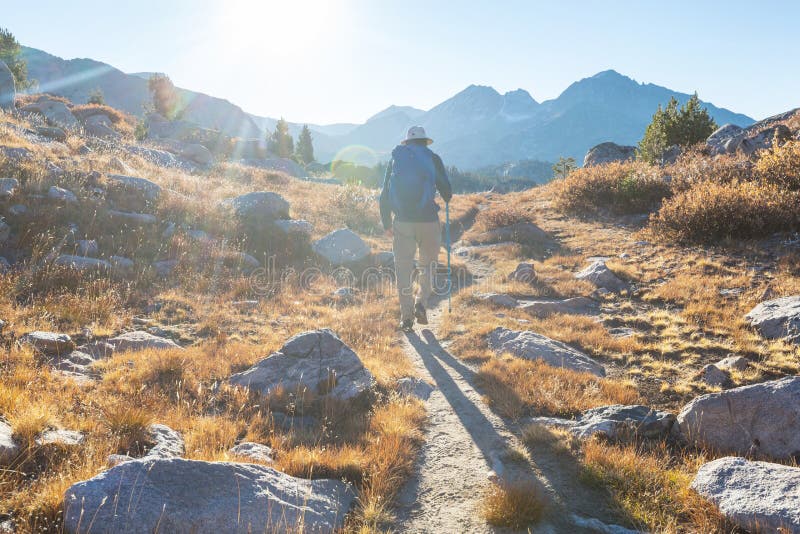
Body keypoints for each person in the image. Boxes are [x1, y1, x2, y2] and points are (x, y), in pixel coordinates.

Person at [380, 126, 452, 331]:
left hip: (402, 222)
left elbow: (384, 194)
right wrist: (445, 195)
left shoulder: (396, 159)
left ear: (407, 142)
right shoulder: (433, 158)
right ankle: (422, 303)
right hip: (429, 221)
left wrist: (386, 223)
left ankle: (407, 317)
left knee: (403, 269)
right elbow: (447, 191)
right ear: (424, 141)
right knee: (427, 266)